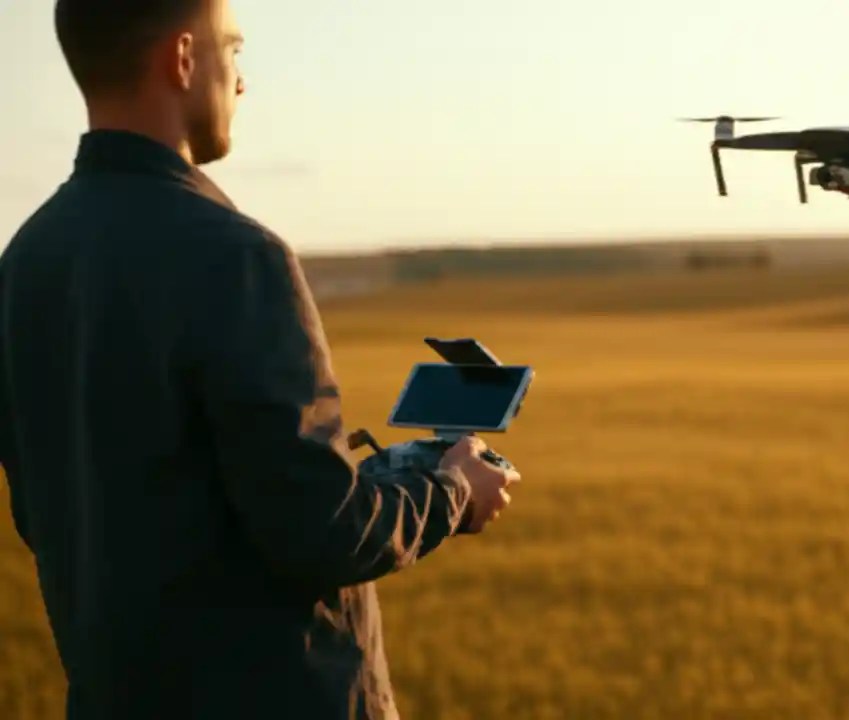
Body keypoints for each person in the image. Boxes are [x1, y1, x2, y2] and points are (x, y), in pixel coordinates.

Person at [0, 0, 521, 717]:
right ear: (184, 58)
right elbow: (324, 531)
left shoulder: (24, 262)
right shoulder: (239, 257)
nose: (241, 80)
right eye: (234, 50)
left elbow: (69, 513)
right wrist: (453, 489)